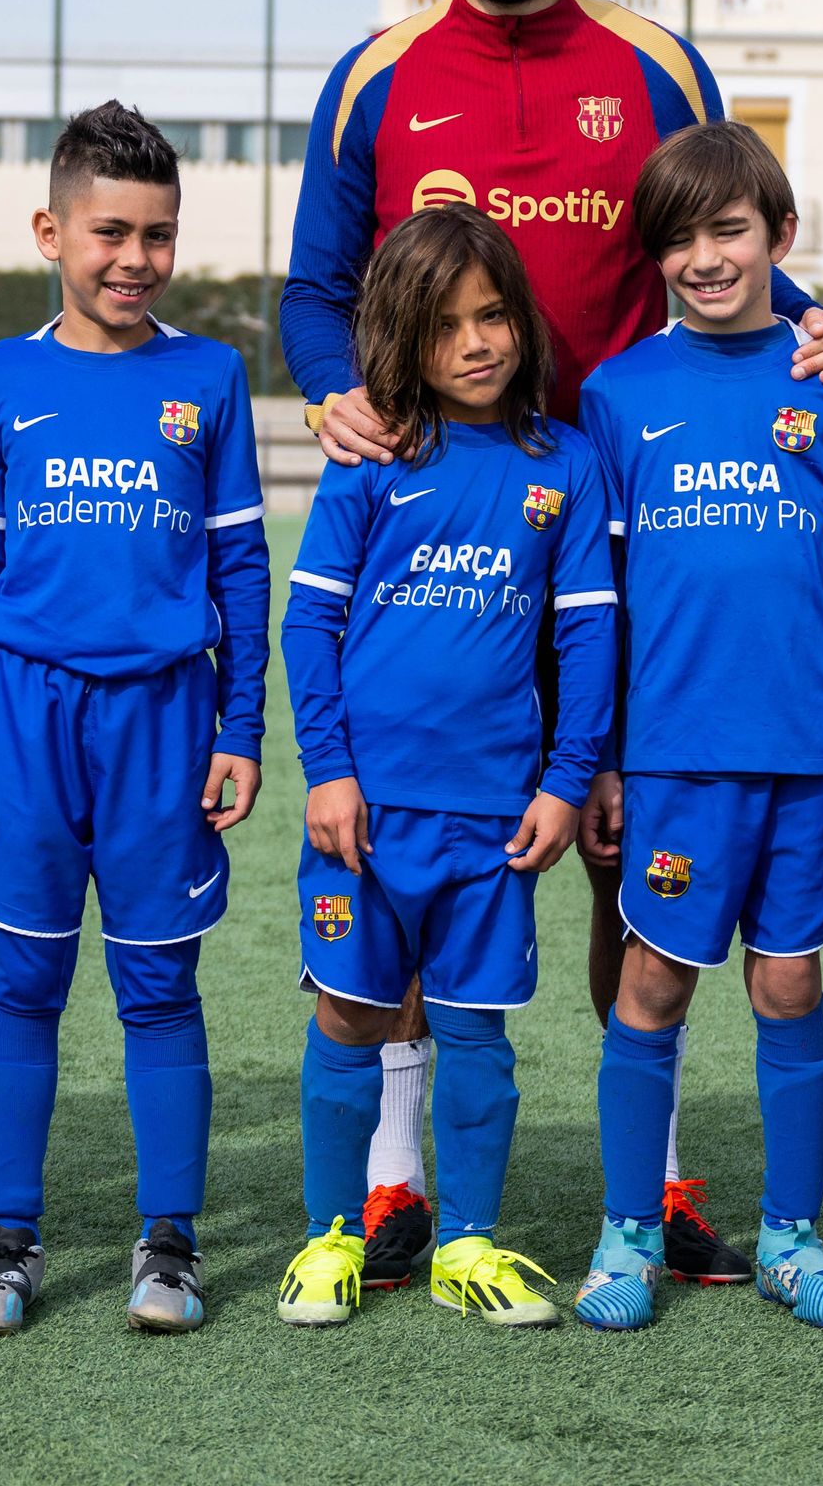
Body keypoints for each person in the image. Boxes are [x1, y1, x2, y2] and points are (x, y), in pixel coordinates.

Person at [278, 0, 823, 1292]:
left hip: (624, 533)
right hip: (452, 542)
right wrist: (330, 395)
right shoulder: (373, 78)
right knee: (425, 849)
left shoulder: (658, 65)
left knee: (629, 848)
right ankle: (400, 1187)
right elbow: (312, 290)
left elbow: (720, 222)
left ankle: (660, 1189)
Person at [0, 102, 270, 1337]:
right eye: (108, 232)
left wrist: (242, 727)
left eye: (158, 235)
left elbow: (242, 571)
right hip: (21, 718)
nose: (133, 258)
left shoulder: (207, 374)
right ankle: (6, 1238)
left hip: (167, 722)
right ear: (50, 230)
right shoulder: (0, 376)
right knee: (21, 979)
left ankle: (168, 1242)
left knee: (158, 986)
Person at [567, 120, 823, 1333]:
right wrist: (597, 754)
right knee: (651, 982)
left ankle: (789, 1237)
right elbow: (591, 607)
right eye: (680, 238)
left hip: (807, 755)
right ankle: (627, 1230)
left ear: (779, 236)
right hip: (672, 759)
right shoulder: (617, 393)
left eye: (729, 230)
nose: (705, 257)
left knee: (790, 982)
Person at [272, 208, 614, 1329]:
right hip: (364, 813)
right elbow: (307, 625)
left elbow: (585, 638)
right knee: (347, 1018)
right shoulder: (376, 458)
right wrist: (327, 768)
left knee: (475, 1031)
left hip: (492, 819)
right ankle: (327, 1240)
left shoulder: (561, 465)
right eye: (446, 324)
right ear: (402, 343)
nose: (477, 340)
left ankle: (466, 1236)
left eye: (493, 312)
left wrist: (566, 779)